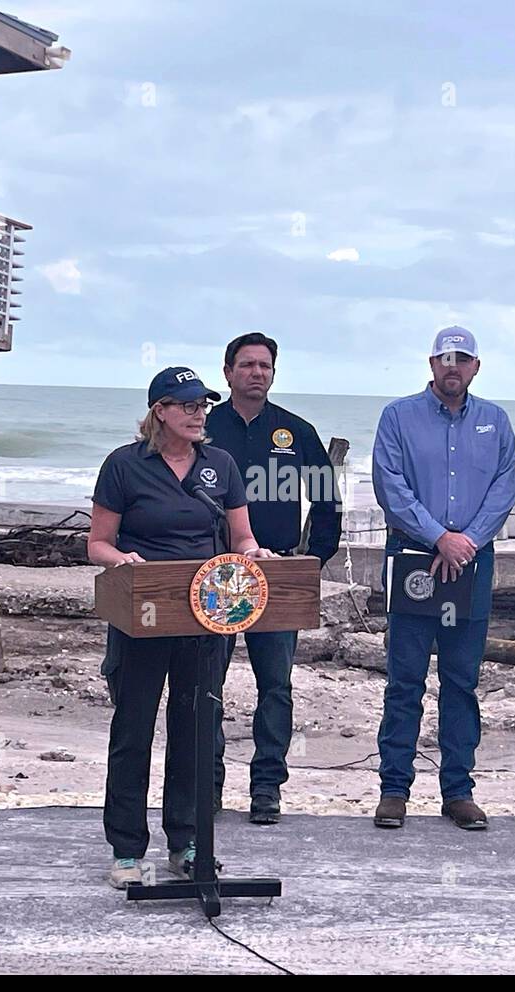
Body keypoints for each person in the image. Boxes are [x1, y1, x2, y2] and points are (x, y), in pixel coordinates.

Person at [89, 367, 275, 889]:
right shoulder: (124, 466)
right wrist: (122, 558)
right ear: (160, 412)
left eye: (203, 406)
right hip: (144, 614)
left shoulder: (220, 465)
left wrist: (253, 552)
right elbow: (96, 544)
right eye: (189, 405)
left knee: (194, 731)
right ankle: (127, 850)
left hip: (206, 615)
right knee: (134, 729)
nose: (199, 414)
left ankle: (187, 842)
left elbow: (241, 537)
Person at [370, 326, 515, 831]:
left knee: (461, 681)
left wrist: (467, 541)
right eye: (444, 358)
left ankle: (458, 790)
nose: (453, 367)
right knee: (405, 679)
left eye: (463, 359)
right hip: (414, 558)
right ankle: (394, 789)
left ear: (476, 366)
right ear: (431, 364)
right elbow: (390, 484)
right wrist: (439, 538)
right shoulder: (397, 417)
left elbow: (504, 488)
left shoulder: (495, 422)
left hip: (472, 564)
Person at [205, 331, 342, 824]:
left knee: (276, 686)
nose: (256, 373)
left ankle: (267, 788)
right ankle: (208, 783)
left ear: (273, 373)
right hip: (213, 575)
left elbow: (327, 500)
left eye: (264, 366)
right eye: (246, 365)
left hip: (279, 572)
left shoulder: (295, 432)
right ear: (228, 373)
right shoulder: (204, 426)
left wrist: (314, 561)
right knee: (207, 684)